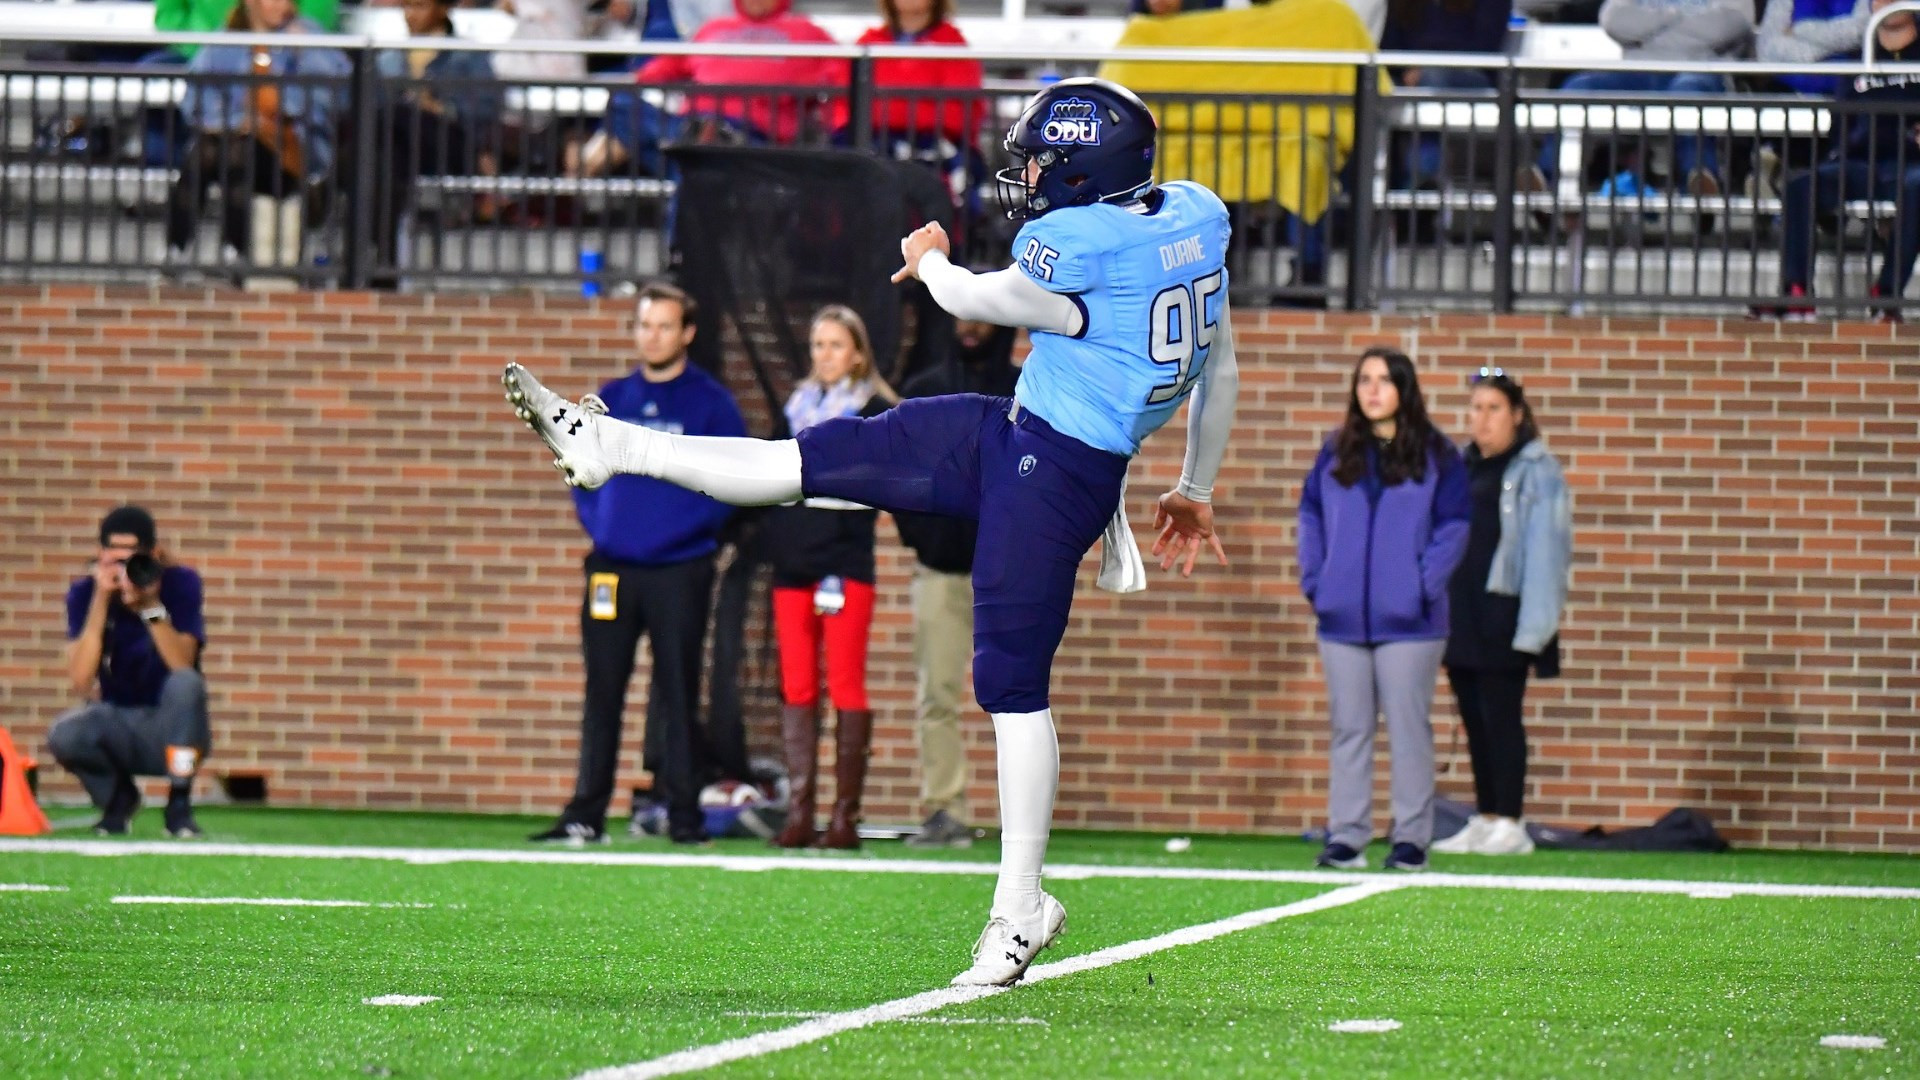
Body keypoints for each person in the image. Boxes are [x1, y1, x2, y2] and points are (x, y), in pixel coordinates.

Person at [505, 76, 1238, 987]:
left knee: (1010, 685)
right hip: (1011, 432)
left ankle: (1021, 906)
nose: (1028, 178)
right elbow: (1222, 367)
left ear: (1084, 171)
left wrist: (929, 257)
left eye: (1041, 162)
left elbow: (973, 300)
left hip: (1055, 479)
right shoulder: (1189, 221)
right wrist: (1194, 485)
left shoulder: (1088, 250)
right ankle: (612, 445)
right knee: (817, 459)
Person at [528, 283, 747, 847]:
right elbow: (580, 469)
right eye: (645, 325)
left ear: (687, 333)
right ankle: (585, 814)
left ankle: (683, 817)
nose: (653, 336)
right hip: (612, 570)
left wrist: (687, 533)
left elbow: (736, 479)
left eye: (665, 326)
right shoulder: (612, 397)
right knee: (602, 692)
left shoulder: (711, 404)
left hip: (680, 570)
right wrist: (605, 529)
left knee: (677, 693)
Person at [1297, 347, 1468, 872]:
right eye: (1364, 380)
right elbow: (1310, 518)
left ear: (1404, 389)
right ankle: (1347, 837)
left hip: (1412, 625)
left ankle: (1410, 840)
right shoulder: (1335, 452)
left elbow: (1454, 528)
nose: (1372, 390)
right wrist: (1317, 583)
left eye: (1384, 380)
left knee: (1409, 730)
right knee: (1349, 730)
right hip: (1341, 619)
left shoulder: (1438, 455)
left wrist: (1420, 587)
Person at [767, 307, 900, 851]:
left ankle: (844, 818)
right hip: (792, 567)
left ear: (858, 354)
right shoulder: (794, 407)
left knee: (845, 683)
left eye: (836, 345)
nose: (825, 355)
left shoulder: (876, 411)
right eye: (818, 344)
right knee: (797, 685)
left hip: (845, 567)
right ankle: (799, 814)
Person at [1432, 369, 1572, 857]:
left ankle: (1511, 821)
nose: (1482, 419)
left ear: (1516, 415)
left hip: (1505, 612)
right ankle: (1486, 815)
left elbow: (1548, 553)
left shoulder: (1538, 469)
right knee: (1473, 716)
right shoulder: (1461, 466)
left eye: (1494, 409)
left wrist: (1535, 628)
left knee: (1501, 716)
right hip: (1463, 610)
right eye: (1476, 408)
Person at [893, 318, 1021, 849]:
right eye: (962, 313)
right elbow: (899, 472)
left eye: (981, 314)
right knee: (937, 694)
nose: (970, 325)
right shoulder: (925, 390)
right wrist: (926, 538)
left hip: (1010, 574)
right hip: (943, 571)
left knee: (1019, 697)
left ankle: (1025, 817)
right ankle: (945, 809)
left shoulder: (1026, 389)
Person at [48, 506, 210, 839]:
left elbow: (182, 664)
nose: (124, 567)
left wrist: (149, 606)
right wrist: (100, 600)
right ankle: (118, 800)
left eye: (132, 557)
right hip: (119, 720)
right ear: (100, 554)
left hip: (174, 728)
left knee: (186, 685)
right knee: (66, 733)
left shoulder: (180, 583)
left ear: (154, 554)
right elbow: (81, 680)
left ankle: (179, 805)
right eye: (115, 557)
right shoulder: (84, 593)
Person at [165, 0, 351, 267]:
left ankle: (234, 250)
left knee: (237, 151)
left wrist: (306, 52)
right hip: (234, 144)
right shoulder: (226, 40)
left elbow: (340, 95)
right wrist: (232, 123)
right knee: (205, 152)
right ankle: (177, 249)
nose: (282, 6)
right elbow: (194, 99)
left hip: (291, 151)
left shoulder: (307, 35)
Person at [1768, 0, 1920, 323]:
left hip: (1912, 164)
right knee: (1801, 184)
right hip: (1861, 162)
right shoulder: (1855, 58)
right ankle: (1796, 292)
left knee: (1917, 184)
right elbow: (1841, 124)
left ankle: (1886, 295)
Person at [1523, 0, 1752, 198]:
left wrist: (1651, 27)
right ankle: (1545, 181)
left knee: (1688, 93)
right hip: (1638, 73)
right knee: (1579, 87)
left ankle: (1699, 183)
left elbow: (1726, 27)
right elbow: (1614, 19)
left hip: (1700, 72)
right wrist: (1677, 19)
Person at [372, 0, 501, 279]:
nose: (410, 15)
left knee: (394, 119)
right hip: (400, 149)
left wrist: (440, 108)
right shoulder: (389, 59)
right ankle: (385, 262)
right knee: (388, 150)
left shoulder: (467, 56)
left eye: (419, 6)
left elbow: (485, 109)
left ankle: (379, 262)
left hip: (450, 145)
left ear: (442, 9)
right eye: (406, 7)